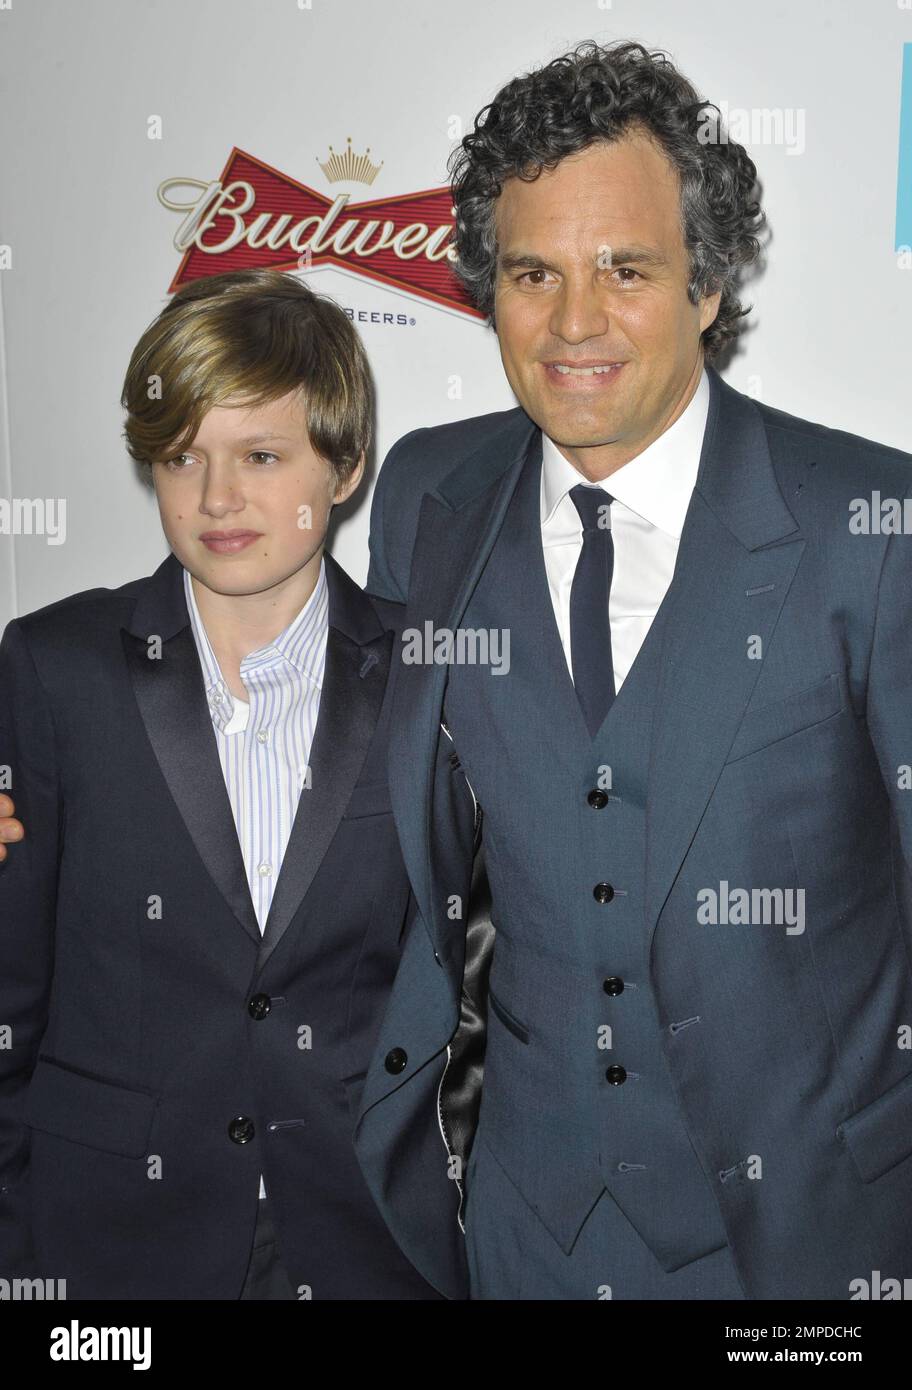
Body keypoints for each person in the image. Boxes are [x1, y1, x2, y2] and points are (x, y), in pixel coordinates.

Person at [357, 40, 912, 1299]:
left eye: (627, 269)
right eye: (533, 274)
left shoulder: (872, 527)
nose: (574, 323)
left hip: (802, 1250)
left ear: (708, 286)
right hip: (513, 1234)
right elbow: (357, 788)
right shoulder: (428, 495)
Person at [0, 268, 482, 1300]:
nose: (217, 499)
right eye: (183, 458)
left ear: (344, 465)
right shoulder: (57, 668)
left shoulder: (430, 676)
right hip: (107, 1250)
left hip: (365, 1239)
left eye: (262, 456)